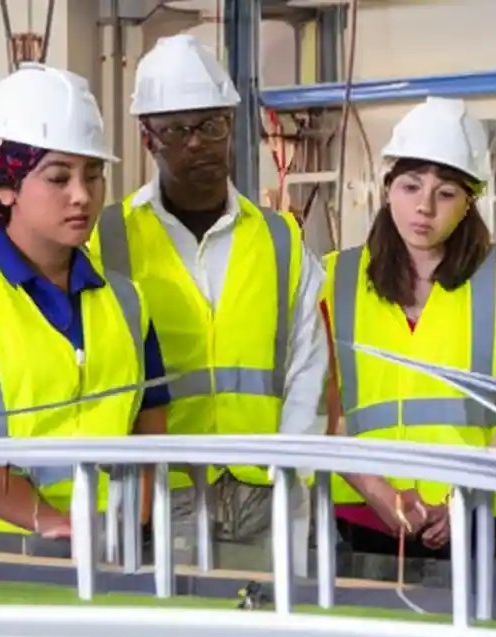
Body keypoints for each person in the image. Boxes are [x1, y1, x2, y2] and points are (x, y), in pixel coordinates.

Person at [0, 63, 169, 550]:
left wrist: (133, 521)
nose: (82, 196)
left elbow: (150, 431)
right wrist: (49, 518)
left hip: (100, 553)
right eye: (58, 177)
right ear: (6, 187)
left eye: (94, 175)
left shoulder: (126, 300)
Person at [88, 35, 327, 570]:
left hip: (264, 486)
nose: (197, 143)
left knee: (267, 632)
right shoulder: (107, 242)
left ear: (229, 126)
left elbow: (308, 366)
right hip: (161, 488)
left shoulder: (281, 239)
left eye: (211, 126)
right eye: (176, 130)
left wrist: (287, 469)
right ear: (147, 138)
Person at [320, 97, 496, 566]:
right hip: (366, 517)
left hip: (482, 517)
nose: (424, 207)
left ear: (469, 202)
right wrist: (377, 491)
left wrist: (462, 498)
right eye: (411, 186)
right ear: (387, 188)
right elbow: (324, 411)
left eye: (446, 193)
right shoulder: (337, 282)